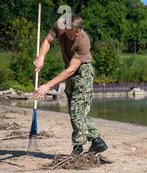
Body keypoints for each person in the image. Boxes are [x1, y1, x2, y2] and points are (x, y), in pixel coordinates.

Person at [33, 14, 107, 156]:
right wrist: (41, 56)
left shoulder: (83, 41)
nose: (68, 36)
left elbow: (72, 69)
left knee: (77, 111)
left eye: (71, 34)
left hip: (82, 72)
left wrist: (48, 85)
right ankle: (97, 141)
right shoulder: (61, 24)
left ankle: (78, 148)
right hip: (69, 70)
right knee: (75, 112)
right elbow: (48, 40)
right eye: (66, 33)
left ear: (78, 30)